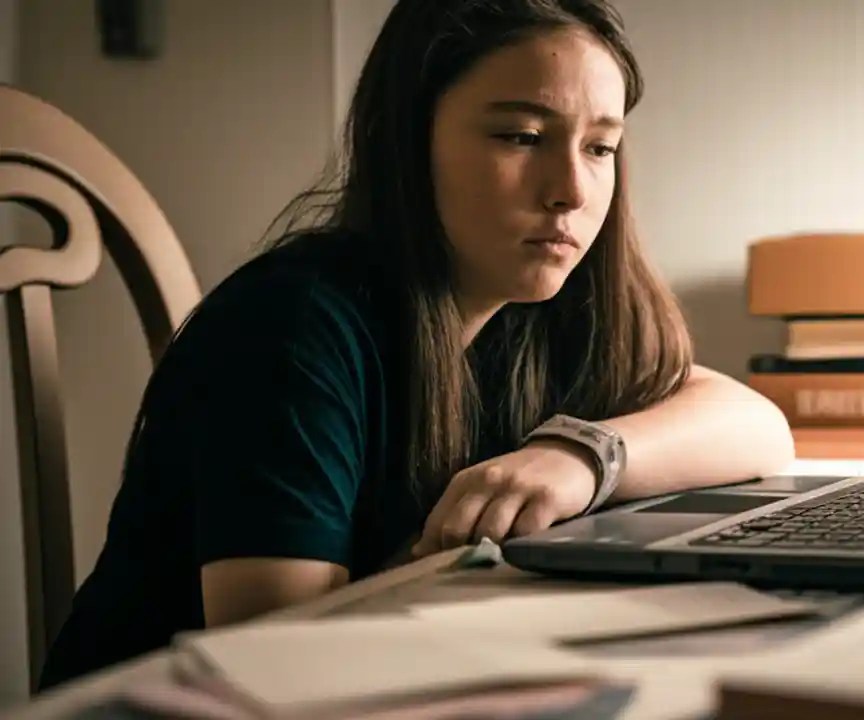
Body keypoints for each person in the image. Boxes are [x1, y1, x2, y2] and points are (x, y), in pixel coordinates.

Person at [37, 0, 795, 691]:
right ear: (408, 137)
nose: (571, 188)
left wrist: (581, 457)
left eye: (600, 147)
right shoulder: (293, 325)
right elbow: (276, 660)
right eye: (521, 137)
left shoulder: (533, 311)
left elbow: (755, 424)